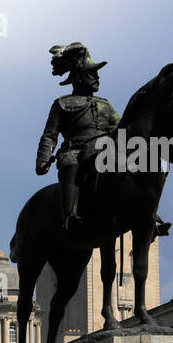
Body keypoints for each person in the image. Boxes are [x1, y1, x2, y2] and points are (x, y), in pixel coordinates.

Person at [35, 42, 119, 232]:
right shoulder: (62, 104)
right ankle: (70, 216)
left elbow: (121, 128)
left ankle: (148, 214)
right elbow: (50, 135)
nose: (97, 78)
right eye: (92, 74)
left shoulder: (106, 105)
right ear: (79, 77)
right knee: (69, 165)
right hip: (75, 150)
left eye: (96, 74)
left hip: (107, 149)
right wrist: (44, 158)